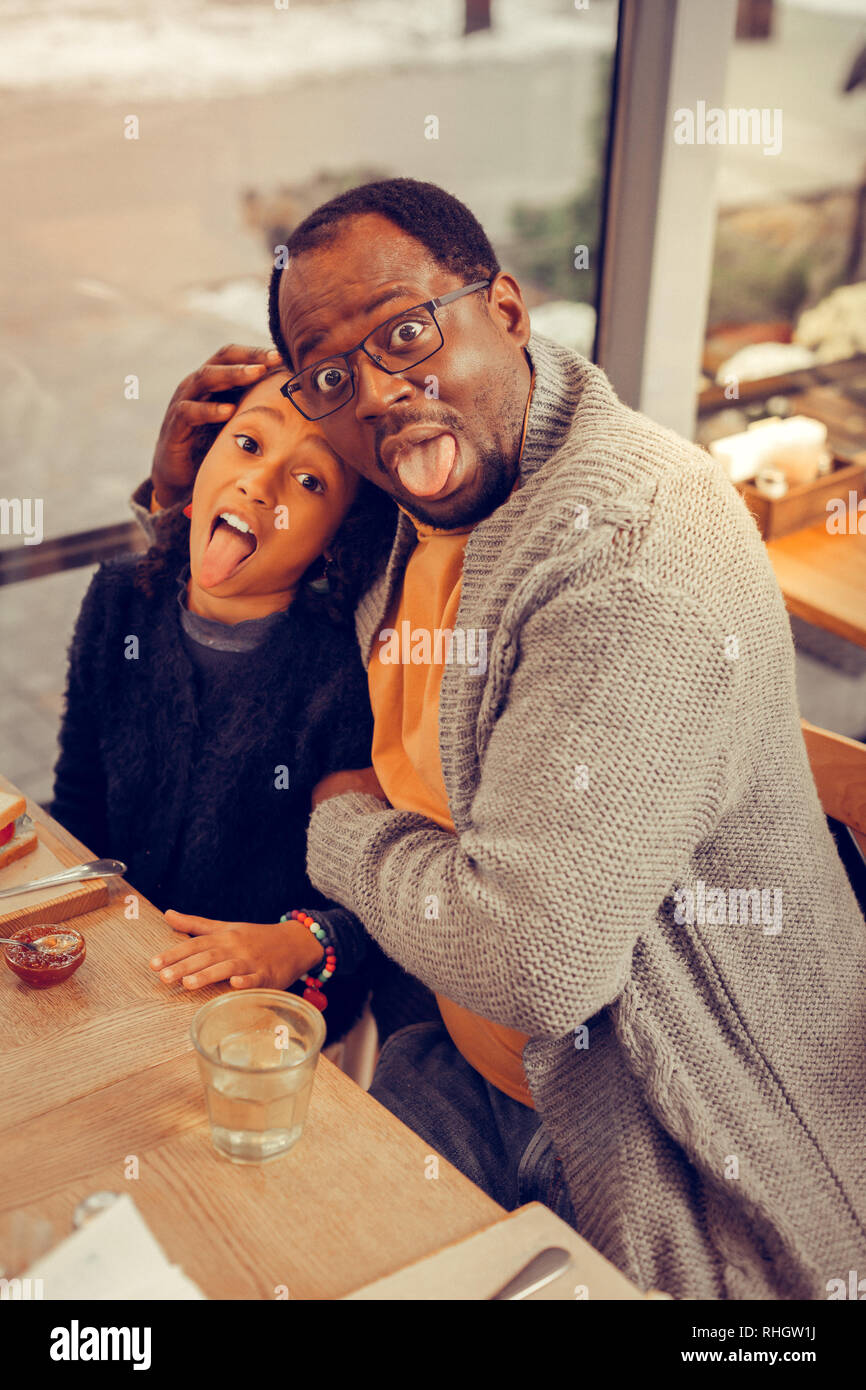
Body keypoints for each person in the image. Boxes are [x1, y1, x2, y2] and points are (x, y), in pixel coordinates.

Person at [138, 179, 865, 1300]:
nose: (380, 391)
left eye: (406, 331)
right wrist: (174, 494)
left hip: (668, 1133)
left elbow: (533, 962)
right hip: (456, 1058)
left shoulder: (633, 552)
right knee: (203, 1245)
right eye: (333, 373)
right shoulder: (417, 501)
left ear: (509, 312)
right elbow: (239, 575)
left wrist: (341, 825)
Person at [51, 364, 403, 1043]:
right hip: (116, 975)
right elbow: (78, 805)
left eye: (309, 482)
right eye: (247, 444)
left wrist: (297, 941)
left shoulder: (347, 675)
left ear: (336, 538)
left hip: (268, 1019)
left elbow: (371, 898)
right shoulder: (119, 599)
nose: (260, 484)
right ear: (201, 461)